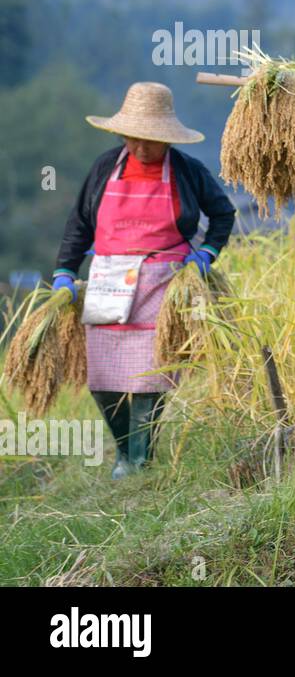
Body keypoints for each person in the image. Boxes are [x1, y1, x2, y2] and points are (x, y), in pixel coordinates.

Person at [53, 82, 235, 479]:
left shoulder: (186, 170)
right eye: (133, 138)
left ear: (166, 137)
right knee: (103, 378)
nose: (141, 148)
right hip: (108, 281)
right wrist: (65, 270)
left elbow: (223, 214)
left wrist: (206, 253)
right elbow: (80, 223)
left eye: (150, 140)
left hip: (163, 283)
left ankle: (142, 458)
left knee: (152, 376)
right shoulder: (105, 167)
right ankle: (124, 452)